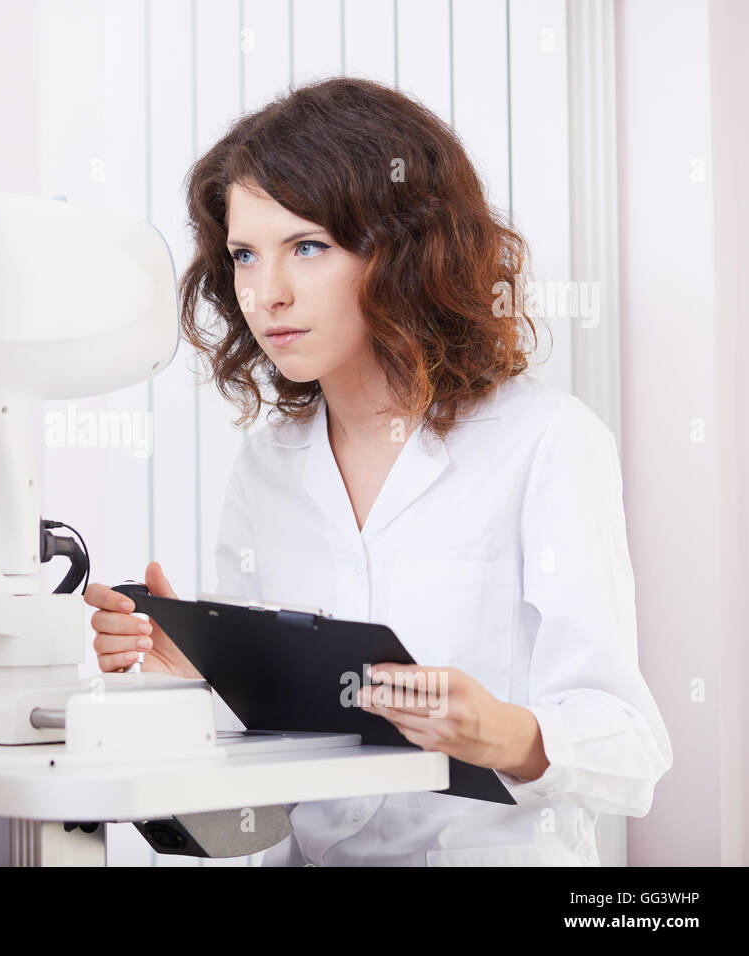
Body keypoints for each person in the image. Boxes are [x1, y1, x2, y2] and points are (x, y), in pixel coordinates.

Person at [84, 76, 672, 866]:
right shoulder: (267, 465)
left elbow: (629, 748)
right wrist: (190, 683)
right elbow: (266, 766)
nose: (267, 295)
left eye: (308, 247)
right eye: (245, 256)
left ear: (406, 250)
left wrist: (506, 733)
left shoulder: (546, 443)